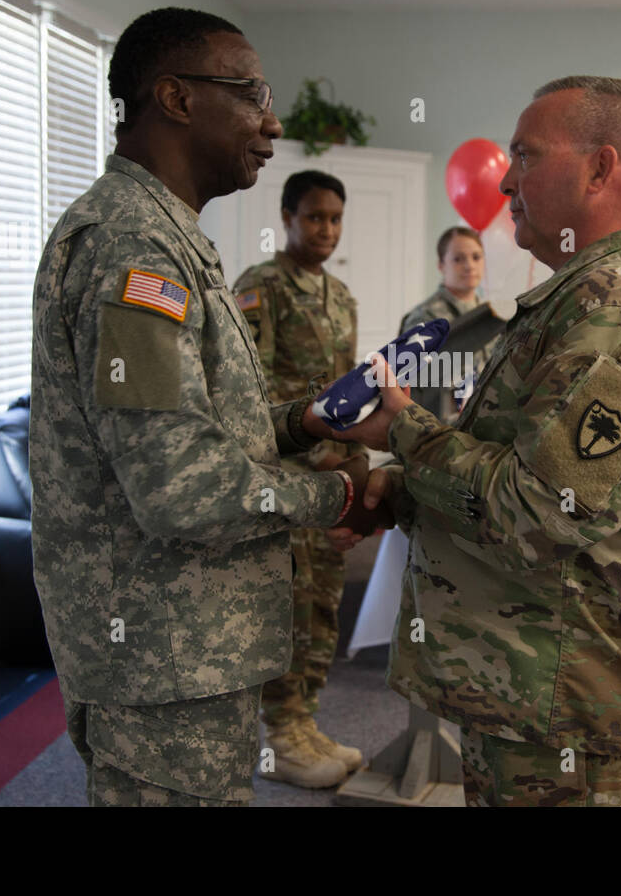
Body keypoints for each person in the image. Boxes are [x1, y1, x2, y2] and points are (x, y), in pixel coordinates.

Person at [331, 76, 621, 806]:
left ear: (600, 169)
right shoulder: (579, 299)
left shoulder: (620, 312)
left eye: (526, 155)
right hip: (533, 693)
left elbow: (542, 510)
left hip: (572, 710)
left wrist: (406, 432)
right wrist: (399, 491)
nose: (506, 181)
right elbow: (519, 463)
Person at [29, 7, 389, 807]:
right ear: (177, 98)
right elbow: (178, 487)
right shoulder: (133, 248)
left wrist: (302, 424)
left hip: (191, 646)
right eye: (251, 94)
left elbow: (201, 425)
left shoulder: (169, 236)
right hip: (159, 657)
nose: (272, 122)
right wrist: (340, 494)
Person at [230, 170, 366, 788]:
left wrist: (353, 460)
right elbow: (246, 394)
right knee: (288, 605)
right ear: (287, 217)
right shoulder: (261, 287)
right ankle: (281, 734)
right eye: (314, 217)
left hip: (331, 478)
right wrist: (312, 456)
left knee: (323, 605)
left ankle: (306, 720)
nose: (326, 230)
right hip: (285, 480)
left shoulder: (341, 296)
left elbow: (348, 393)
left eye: (335, 219)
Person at [398, 226, 498, 423]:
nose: (469, 266)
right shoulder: (424, 318)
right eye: (458, 259)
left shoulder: (492, 316)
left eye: (476, 257)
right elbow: (412, 386)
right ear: (441, 265)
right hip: (438, 428)